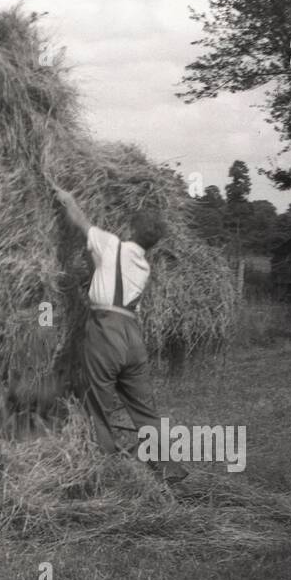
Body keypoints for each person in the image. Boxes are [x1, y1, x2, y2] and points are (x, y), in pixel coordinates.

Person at [49, 179, 186, 482]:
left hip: (106, 332)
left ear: (133, 230)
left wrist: (66, 197)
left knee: (97, 403)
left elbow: (79, 219)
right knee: (144, 408)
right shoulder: (143, 265)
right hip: (133, 336)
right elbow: (102, 268)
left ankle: (107, 469)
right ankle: (168, 467)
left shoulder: (111, 245)